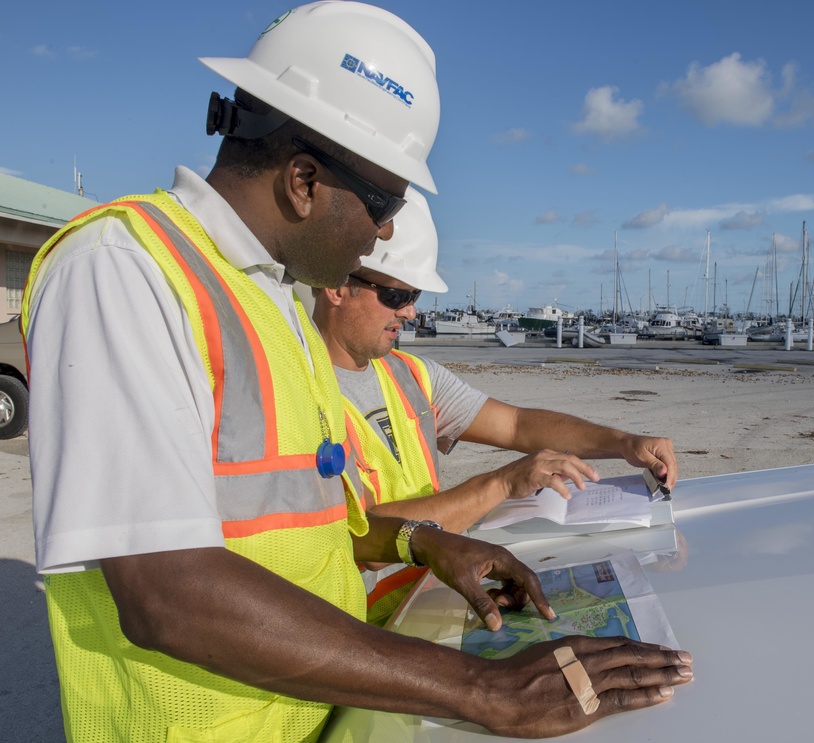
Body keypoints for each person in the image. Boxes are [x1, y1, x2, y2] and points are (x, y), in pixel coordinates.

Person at [21, 3, 692, 741]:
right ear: (304, 179)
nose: (385, 234)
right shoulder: (124, 271)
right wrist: (482, 686)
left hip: (324, 710)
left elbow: (307, 528)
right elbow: (165, 591)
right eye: (385, 205)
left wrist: (422, 542)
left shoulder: (272, 301)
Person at [311, 188, 680, 625]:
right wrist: (502, 484)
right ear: (336, 286)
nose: (410, 312)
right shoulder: (302, 391)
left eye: (416, 296)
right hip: (365, 631)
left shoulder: (410, 375)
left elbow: (517, 425)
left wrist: (623, 442)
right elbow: (364, 537)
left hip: (431, 598)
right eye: (396, 296)